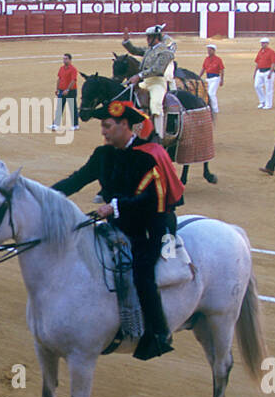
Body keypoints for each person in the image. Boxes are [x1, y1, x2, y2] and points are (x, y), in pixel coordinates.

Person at [51, 100, 184, 361]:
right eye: (102, 126)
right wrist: (46, 196)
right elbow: (77, 180)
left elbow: (152, 202)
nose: (103, 131)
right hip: (120, 224)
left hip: (151, 226)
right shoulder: (103, 155)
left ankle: (159, 333)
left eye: (107, 126)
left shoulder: (150, 155)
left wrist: (115, 207)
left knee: (143, 273)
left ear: (125, 125)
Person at [121, 24, 176, 136]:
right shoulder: (150, 50)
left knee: (156, 105)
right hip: (145, 83)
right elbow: (135, 50)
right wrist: (127, 42)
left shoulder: (165, 52)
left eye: (149, 37)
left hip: (157, 83)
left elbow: (157, 69)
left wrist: (139, 76)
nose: (147, 39)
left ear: (156, 38)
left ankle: (159, 136)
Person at [51, 53, 79, 131]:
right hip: (61, 90)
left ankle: (75, 125)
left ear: (70, 60)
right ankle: (55, 125)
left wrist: (67, 89)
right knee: (59, 107)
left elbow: (73, 80)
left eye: (66, 59)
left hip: (71, 91)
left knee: (72, 108)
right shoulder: (61, 68)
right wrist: (57, 89)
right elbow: (59, 79)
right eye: (63, 58)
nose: (64, 60)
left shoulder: (73, 69)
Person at [253, 37, 275, 109]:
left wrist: (270, 73)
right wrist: (255, 72)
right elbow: (257, 62)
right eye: (262, 43)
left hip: (268, 71)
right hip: (260, 71)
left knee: (268, 88)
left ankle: (268, 104)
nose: (262, 44)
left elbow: (273, 63)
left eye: (264, 43)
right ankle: (262, 101)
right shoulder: (260, 51)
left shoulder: (271, 52)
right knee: (257, 86)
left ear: (267, 43)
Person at [201, 42, 224, 115]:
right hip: (208, 78)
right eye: (208, 50)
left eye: (210, 50)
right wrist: (199, 76)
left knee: (211, 93)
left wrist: (221, 80)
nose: (208, 51)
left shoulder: (218, 59)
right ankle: (210, 108)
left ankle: (215, 109)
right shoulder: (206, 59)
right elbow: (203, 68)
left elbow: (222, 70)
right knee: (207, 93)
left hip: (215, 78)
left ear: (214, 51)